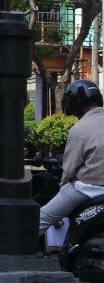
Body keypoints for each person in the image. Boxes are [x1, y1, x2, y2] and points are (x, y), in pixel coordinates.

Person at [39, 79, 104, 235]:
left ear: (75, 103)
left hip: (89, 188)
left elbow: (68, 170)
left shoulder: (79, 129)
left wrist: (62, 186)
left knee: (43, 217)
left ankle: (17, 251)